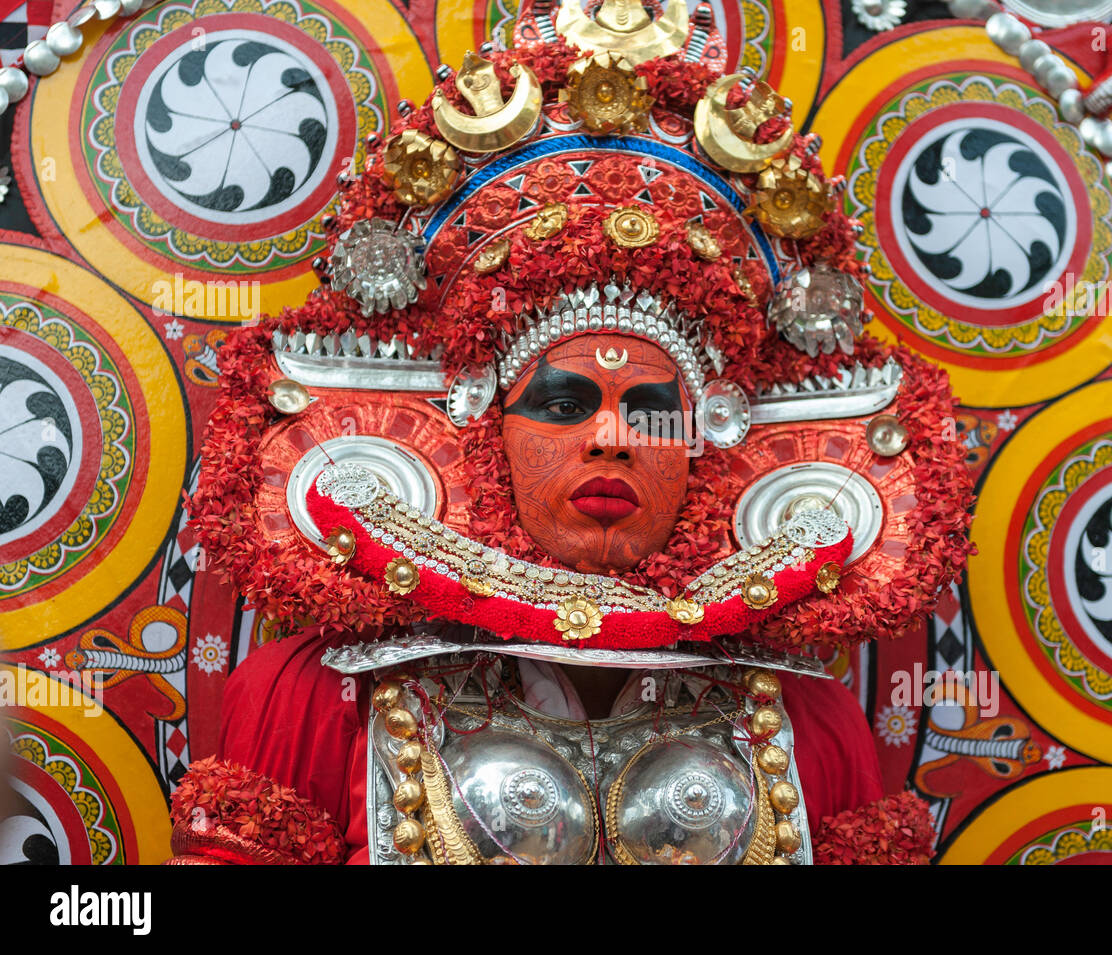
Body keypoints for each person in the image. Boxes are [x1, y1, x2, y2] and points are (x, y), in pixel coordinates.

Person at [173, 1, 974, 865]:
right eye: (561, 404)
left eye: (653, 409)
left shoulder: (811, 722)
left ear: (710, 447)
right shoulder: (320, 698)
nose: (610, 438)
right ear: (482, 432)